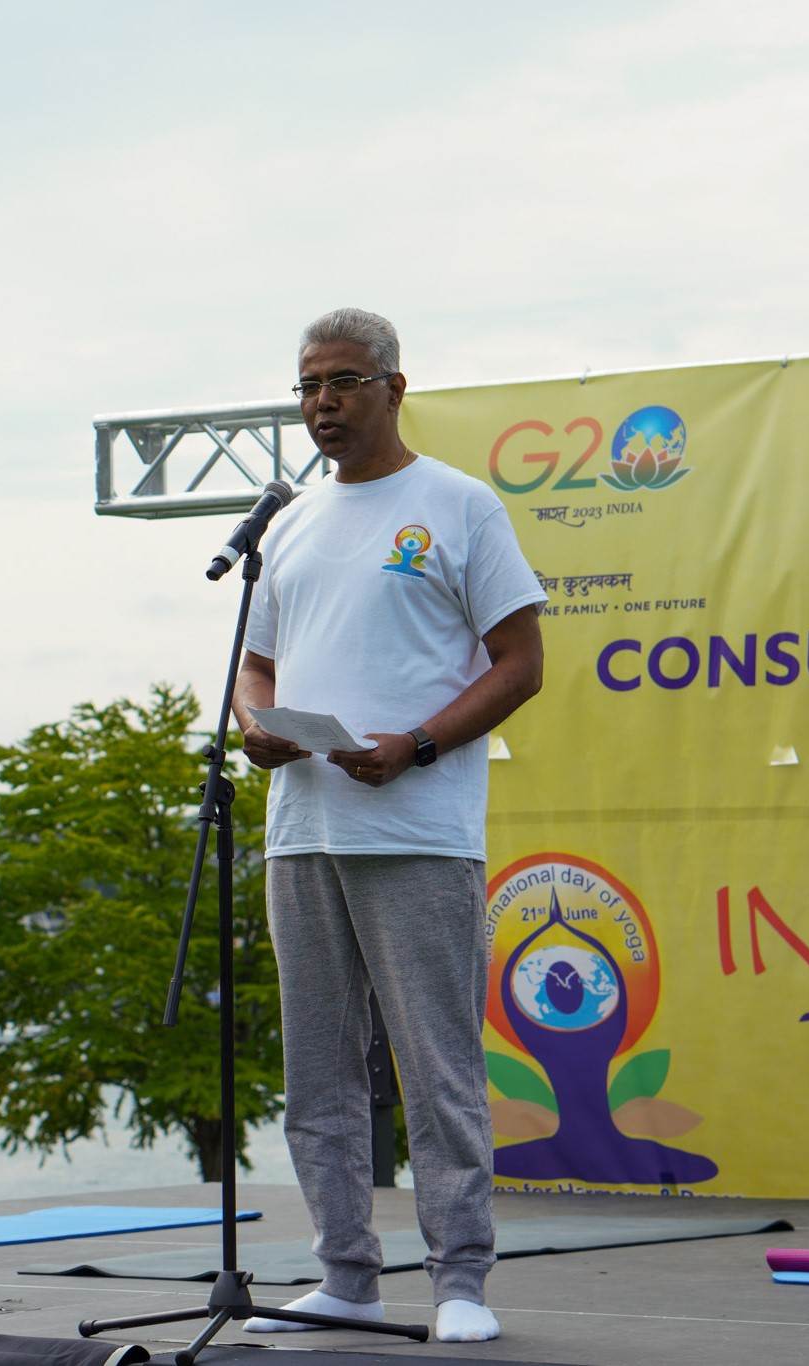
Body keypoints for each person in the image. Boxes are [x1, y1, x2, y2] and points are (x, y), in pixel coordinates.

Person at [232, 308, 545, 1345]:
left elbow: (518, 663)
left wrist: (414, 742)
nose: (321, 403)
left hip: (413, 827)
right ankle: (344, 1275)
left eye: (342, 382)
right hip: (302, 827)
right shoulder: (288, 524)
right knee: (315, 1068)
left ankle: (459, 1282)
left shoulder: (457, 505)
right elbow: (258, 663)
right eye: (307, 385)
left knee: (434, 1063)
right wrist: (255, 725)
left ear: (393, 387)